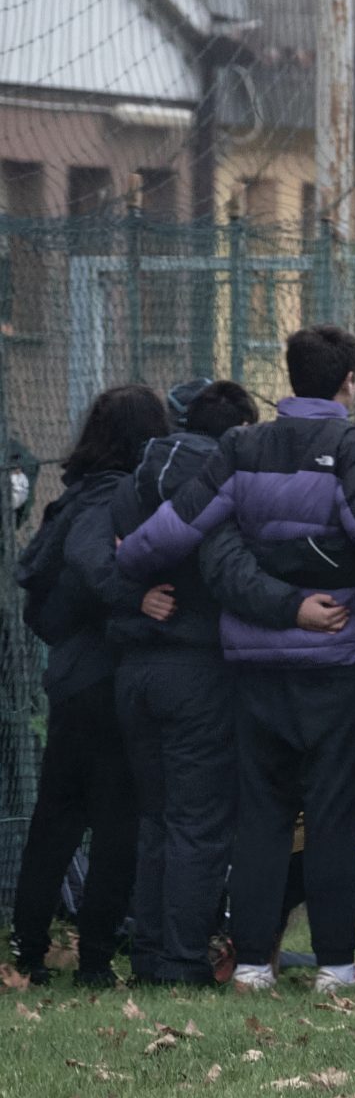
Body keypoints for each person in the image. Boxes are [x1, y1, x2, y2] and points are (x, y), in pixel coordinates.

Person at [116, 326, 355, 994]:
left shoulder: (242, 447)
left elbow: (167, 533)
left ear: (289, 375)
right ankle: (337, 965)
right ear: (349, 382)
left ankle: (254, 963)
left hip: (254, 666)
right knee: (335, 816)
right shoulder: (354, 446)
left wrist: (131, 565)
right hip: (339, 659)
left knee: (262, 815)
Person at [68, 380, 270, 986]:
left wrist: (131, 598)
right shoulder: (220, 481)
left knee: (155, 819)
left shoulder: (136, 479)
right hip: (199, 670)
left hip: (136, 674)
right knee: (198, 822)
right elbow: (232, 568)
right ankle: (181, 963)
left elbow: (89, 550)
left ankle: (151, 954)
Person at [9, 385, 166, 982]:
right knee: (116, 818)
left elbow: (43, 598)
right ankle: (96, 957)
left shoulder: (74, 497)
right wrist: (137, 599)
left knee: (57, 816)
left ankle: (30, 946)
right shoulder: (115, 500)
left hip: (72, 680)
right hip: (109, 679)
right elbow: (97, 565)